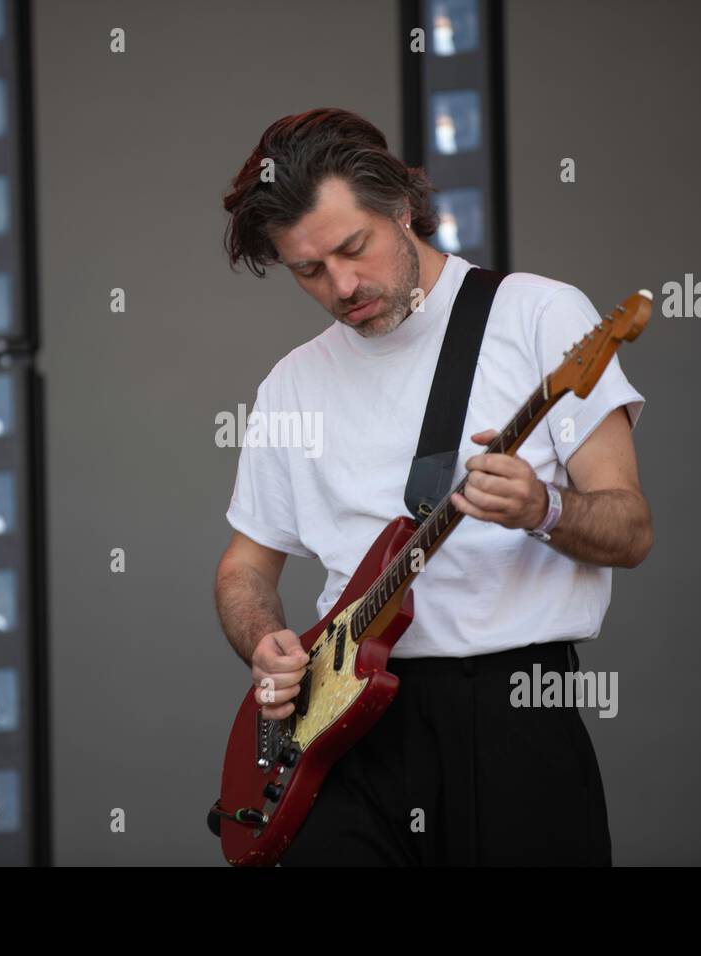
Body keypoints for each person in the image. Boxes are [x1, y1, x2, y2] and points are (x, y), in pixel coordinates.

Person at [214, 108, 651, 866]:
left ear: (403, 205)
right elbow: (245, 567)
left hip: (511, 714)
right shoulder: (290, 384)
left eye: (354, 248)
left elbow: (630, 528)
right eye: (308, 271)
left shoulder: (539, 316)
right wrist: (265, 643)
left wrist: (542, 508)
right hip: (339, 729)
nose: (342, 286)